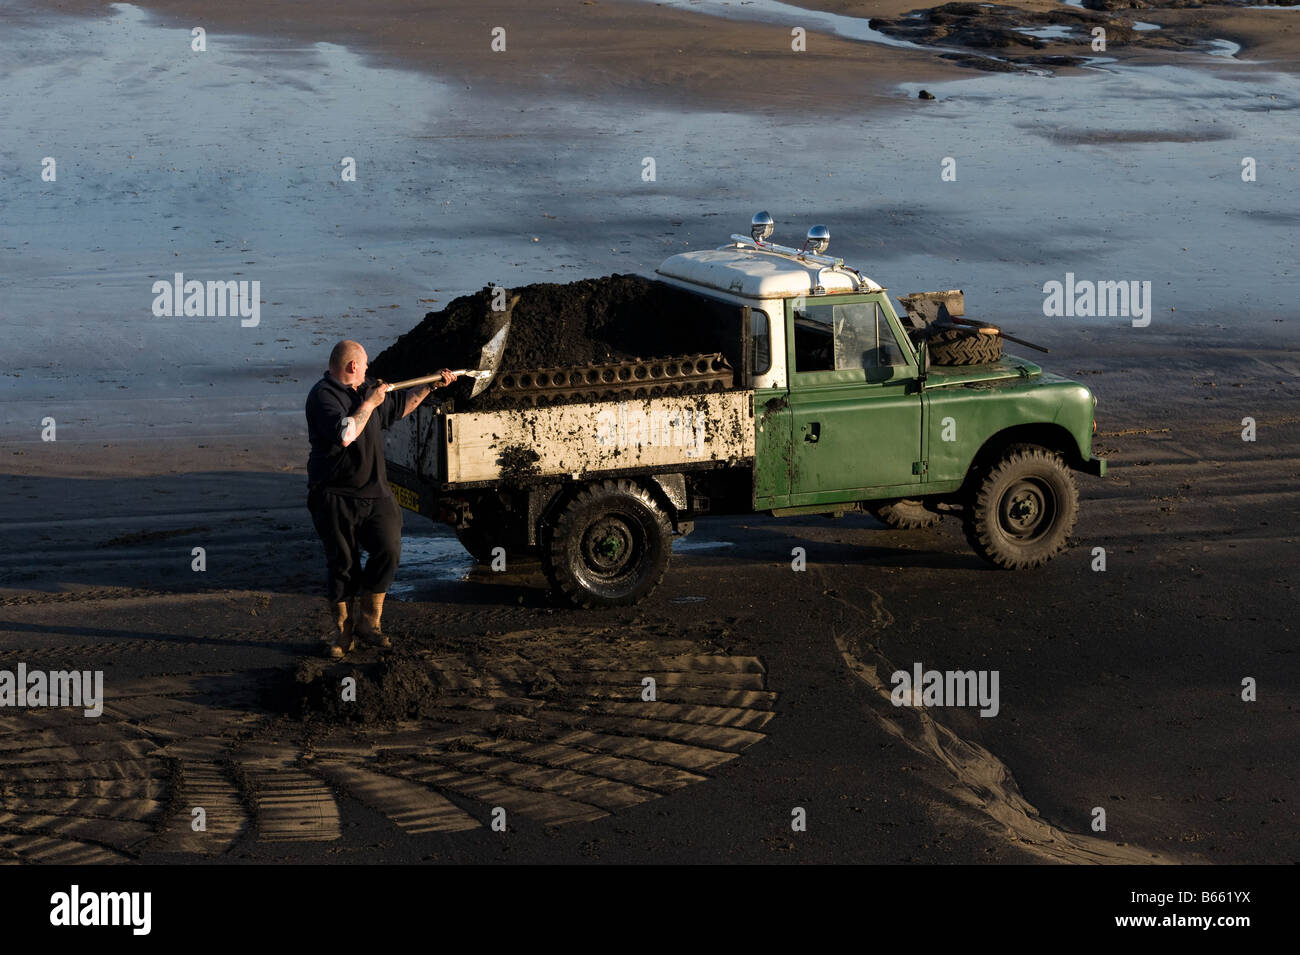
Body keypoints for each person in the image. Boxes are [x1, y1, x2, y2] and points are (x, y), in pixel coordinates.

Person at [305, 340, 456, 658]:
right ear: (351, 367)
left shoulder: (369, 388)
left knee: (389, 550)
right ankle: (343, 633)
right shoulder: (322, 397)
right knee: (343, 565)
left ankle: (369, 623)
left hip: (376, 492)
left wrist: (430, 385)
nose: (369, 369)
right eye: (365, 364)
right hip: (335, 495)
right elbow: (346, 434)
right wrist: (370, 403)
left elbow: (400, 405)